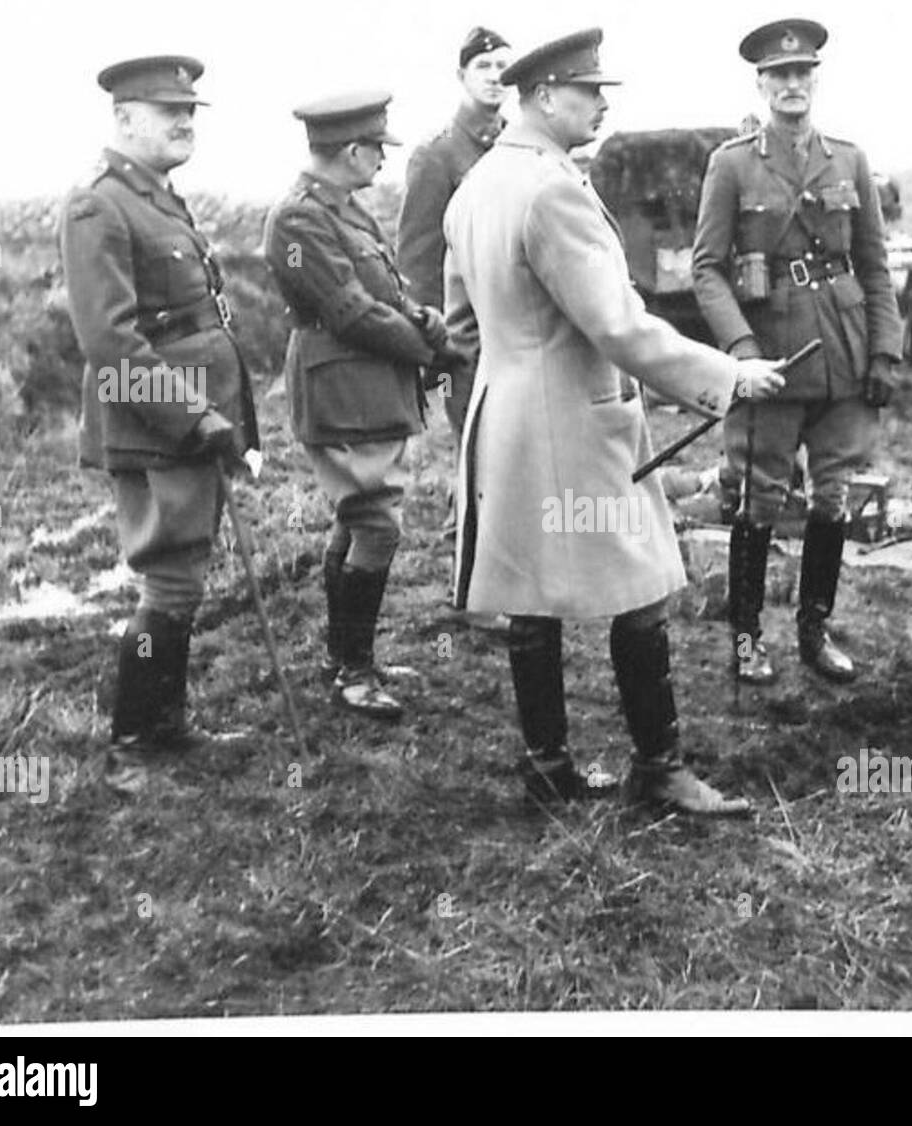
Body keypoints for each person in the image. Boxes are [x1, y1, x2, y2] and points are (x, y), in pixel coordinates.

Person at [443, 29, 786, 816]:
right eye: (588, 89)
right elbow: (620, 328)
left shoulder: (478, 186)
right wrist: (726, 376)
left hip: (506, 417)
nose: (602, 102)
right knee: (642, 587)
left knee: (530, 597)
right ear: (539, 97)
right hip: (575, 418)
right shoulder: (553, 189)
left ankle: (548, 767)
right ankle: (659, 770)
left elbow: (462, 326)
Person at [59, 56, 259, 768]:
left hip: (184, 416)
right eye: (167, 109)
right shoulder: (98, 205)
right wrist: (194, 418)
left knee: (184, 574)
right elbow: (111, 345)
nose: (185, 121)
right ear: (123, 119)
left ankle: (166, 727)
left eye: (190, 109)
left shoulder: (159, 197)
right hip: (152, 421)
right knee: (168, 578)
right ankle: (133, 742)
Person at [693, 19, 903, 686]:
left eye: (801, 73)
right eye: (778, 75)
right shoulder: (731, 163)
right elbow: (706, 268)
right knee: (759, 496)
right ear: (760, 84)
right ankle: (748, 638)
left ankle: (814, 631)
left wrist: (884, 353)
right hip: (772, 358)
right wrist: (741, 351)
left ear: (815, 80)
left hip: (842, 351)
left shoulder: (849, 159)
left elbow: (873, 265)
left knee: (833, 497)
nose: (791, 85)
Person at [263, 92, 451, 719]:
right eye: (376, 148)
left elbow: (382, 289)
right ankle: (352, 670)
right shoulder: (298, 220)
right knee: (376, 524)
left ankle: (346, 657)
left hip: (366, 385)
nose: (381, 159)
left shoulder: (345, 210)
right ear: (350, 150)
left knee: (358, 517)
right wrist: (427, 351)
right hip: (342, 387)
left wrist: (419, 316)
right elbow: (346, 309)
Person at [397, 27, 513, 626]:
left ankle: (501, 577)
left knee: (510, 457)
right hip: (461, 343)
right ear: (462, 76)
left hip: (515, 334)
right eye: (484, 66)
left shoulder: (520, 144)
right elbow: (415, 257)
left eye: (502, 66)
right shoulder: (438, 155)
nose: (495, 75)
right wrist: (428, 344)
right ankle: (471, 597)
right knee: (477, 459)